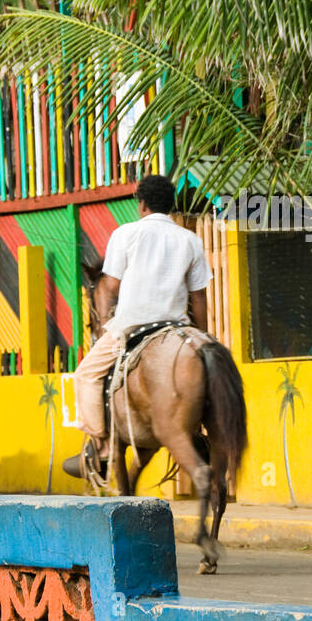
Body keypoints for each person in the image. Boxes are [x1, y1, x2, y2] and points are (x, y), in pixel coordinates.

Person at [63, 175, 211, 479]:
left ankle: (102, 448)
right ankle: (200, 433)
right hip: (177, 328)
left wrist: (106, 324)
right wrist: (203, 337)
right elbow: (199, 298)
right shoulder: (190, 240)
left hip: (133, 326)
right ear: (169, 206)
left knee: (86, 375)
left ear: (141, 204)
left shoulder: (125, 233)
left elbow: (110, 286)